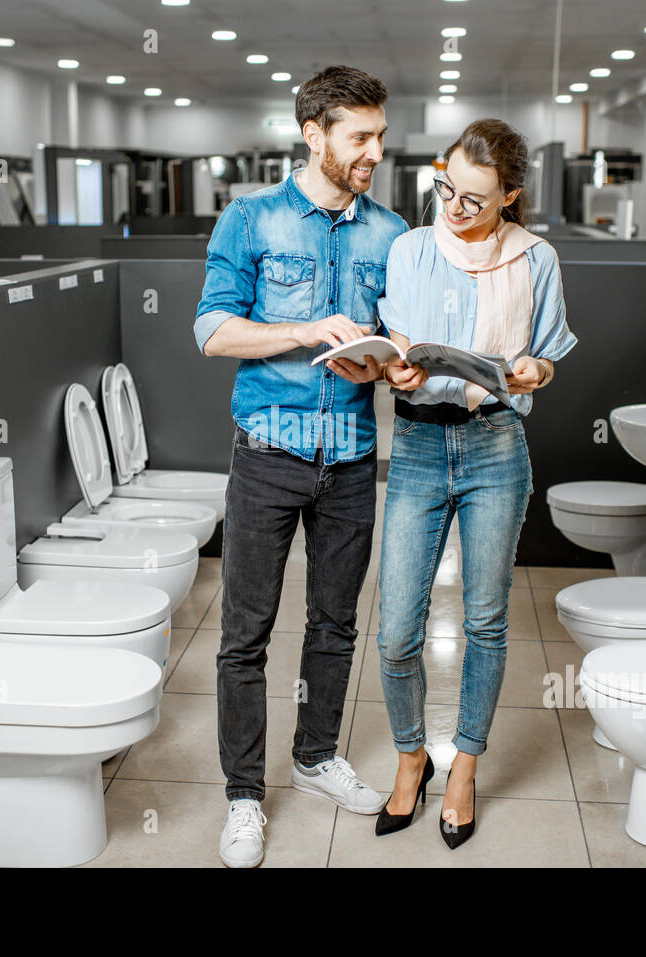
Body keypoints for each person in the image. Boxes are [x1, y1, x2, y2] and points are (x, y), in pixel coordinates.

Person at [193, 65, 408, 868]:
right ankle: (244, 796)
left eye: (380, 136)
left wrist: (385, 364)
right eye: (360, 136)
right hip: (266, 457)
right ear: (314, 134)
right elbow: (212, 329)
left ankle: (316, 757)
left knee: (336, 623)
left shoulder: (391, 233)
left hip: (352, 461)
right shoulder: (249, 220)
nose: (375, 151)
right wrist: (303, 330)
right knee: (244, 636)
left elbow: (396, 347)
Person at [373, 118, 577, 849]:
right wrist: (394, 364)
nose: (454, 209)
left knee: (486, 621)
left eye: (475, 201)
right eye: (446, 189)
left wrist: (533, 371)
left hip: (496, 447)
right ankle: (410, 758)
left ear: (510, 197)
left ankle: (463, 769)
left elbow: (548, 356)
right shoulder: (408, 248)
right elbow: (397, 341)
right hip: (420, 446)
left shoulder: (537, 259)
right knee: (397, 630)